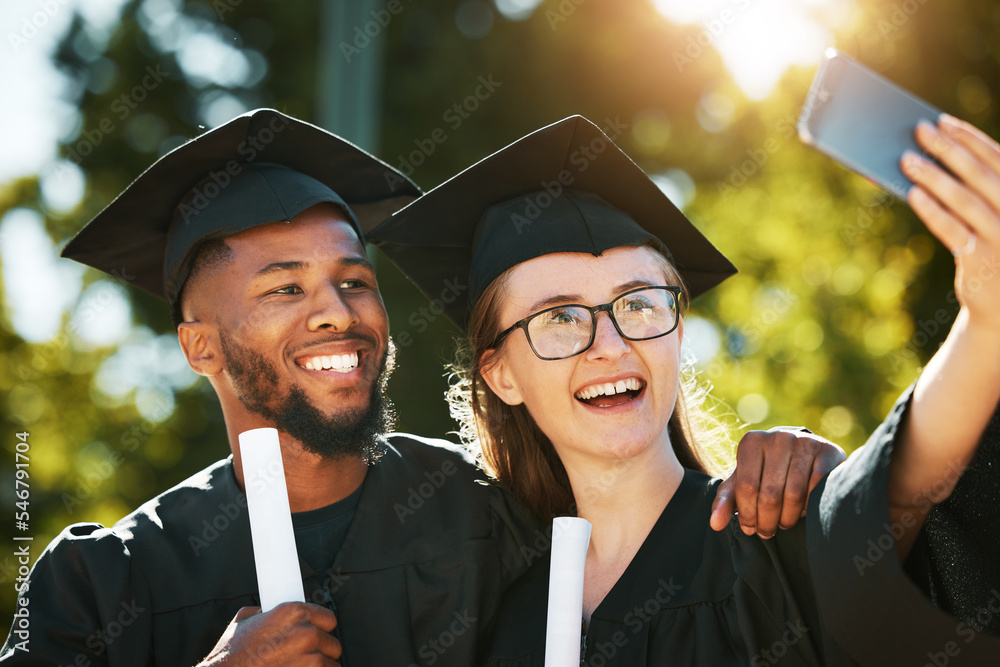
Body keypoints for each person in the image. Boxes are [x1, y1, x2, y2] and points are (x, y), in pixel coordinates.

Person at [1, 109, 840, 666]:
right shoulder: (100, 584)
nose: (336, 312)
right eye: (285, 287)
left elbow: (656, 527)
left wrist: (797, 472)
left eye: (354, 281)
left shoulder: (496, 515)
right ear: (199, 344)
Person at [369, 114, 1000, 665]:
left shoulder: (777, 543)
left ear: (676, 331)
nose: (610, 344)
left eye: (639, 303)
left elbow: (910, 478)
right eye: (559, 317)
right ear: (501, 375)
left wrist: (986, 324)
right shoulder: (483, 612)